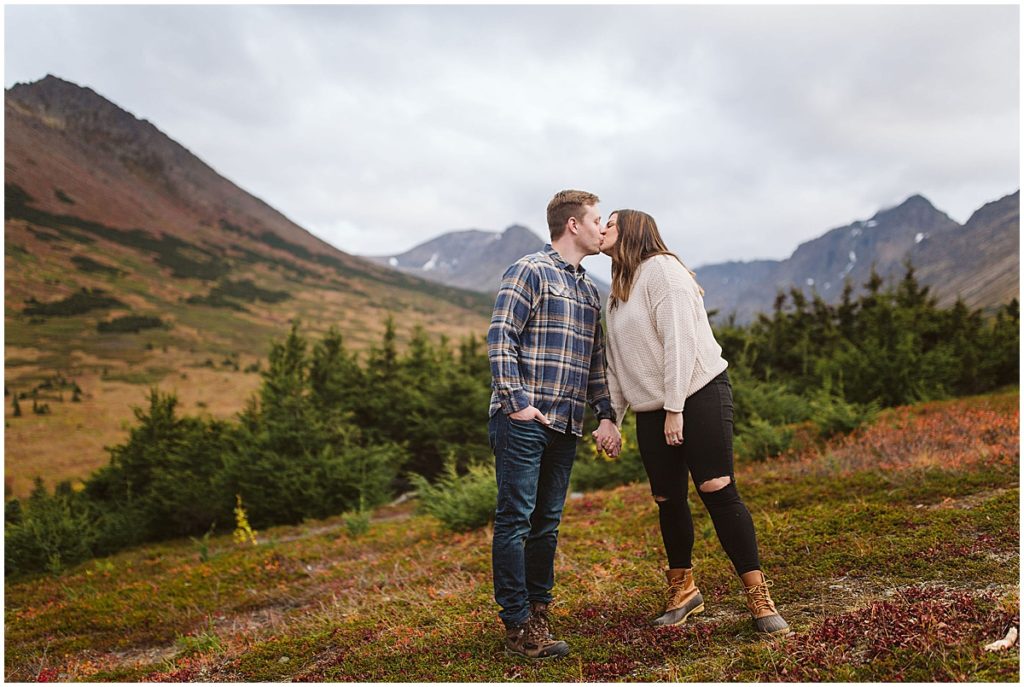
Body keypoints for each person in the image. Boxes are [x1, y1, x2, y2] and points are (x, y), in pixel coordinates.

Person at [595, 208, 789, 635]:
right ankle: (683, 592)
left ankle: (759, 597)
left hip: (697, 394)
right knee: (667, 499)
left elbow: (679, 344)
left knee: (716, 487)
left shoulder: (663, 271)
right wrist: (611, 419)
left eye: (610, 222)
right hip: (653, 408)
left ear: (631, 229)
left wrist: (676, 408)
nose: (602, 229)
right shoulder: (616, 293)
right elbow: (617, 366)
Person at [487, 189, 622, 659]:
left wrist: (606, 415)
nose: (602, 228)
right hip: (523, 420)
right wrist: (518, 403)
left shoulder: (589, 290)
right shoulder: (529, 269)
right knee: (516, 521)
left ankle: (539, 615)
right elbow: (501, 335)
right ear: (573, 225)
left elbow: (595, 364)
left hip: (566, 426)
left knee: (546, 525)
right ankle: (517, 626)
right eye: (597, 220)